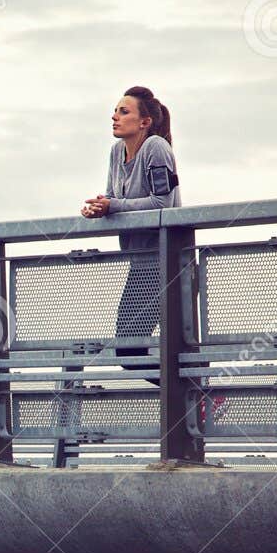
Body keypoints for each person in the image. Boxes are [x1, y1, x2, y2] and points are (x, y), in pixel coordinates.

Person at [79, 86, 180, 358]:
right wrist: (100, 208)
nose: (115, 117)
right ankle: (198, 397)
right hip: (141, 264)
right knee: (128, 352)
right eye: (115, 111)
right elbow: (113, 198)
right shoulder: (116, 151)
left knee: (134, 350)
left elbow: (162, 203)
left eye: (124, 112)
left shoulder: (156, 147)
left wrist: (113, 205)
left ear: (145, 122)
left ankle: (199, 397)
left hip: (168, 264)